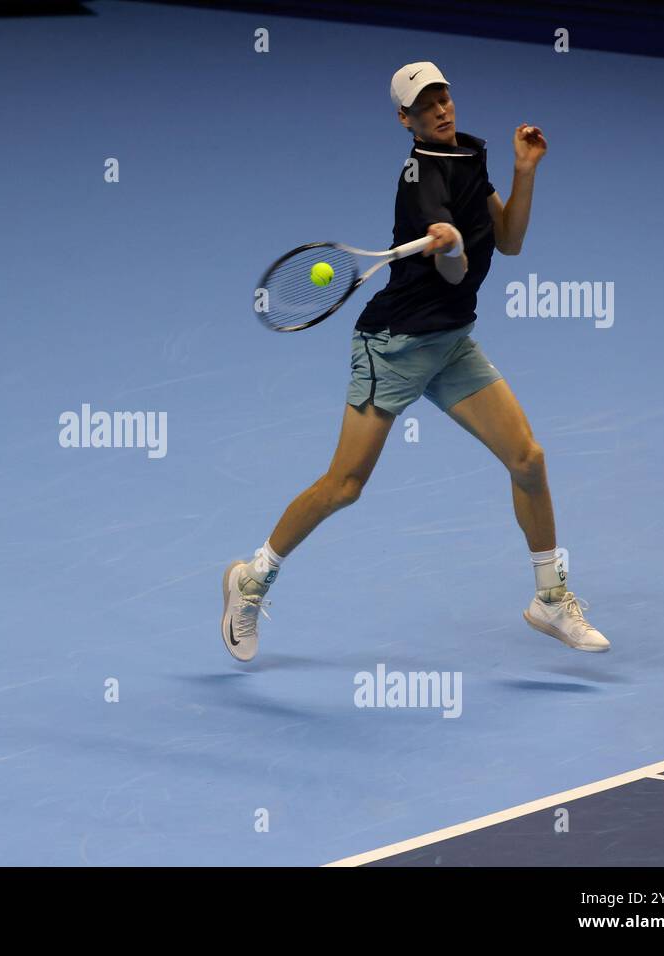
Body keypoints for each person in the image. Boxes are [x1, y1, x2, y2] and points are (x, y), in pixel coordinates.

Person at [220, 61, 609, 662]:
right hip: (394, 346)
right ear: (406, 119)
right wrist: (449, 247)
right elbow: (454, 272)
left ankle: (550, 598)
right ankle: (250, 580)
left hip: (451, 341)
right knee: (345, 486)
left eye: (444, 96)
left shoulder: (467, 155)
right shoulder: (421, 180)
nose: (441, 110)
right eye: (426, 106)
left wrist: (524, 172)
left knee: (527, 459)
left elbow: (508, 241)